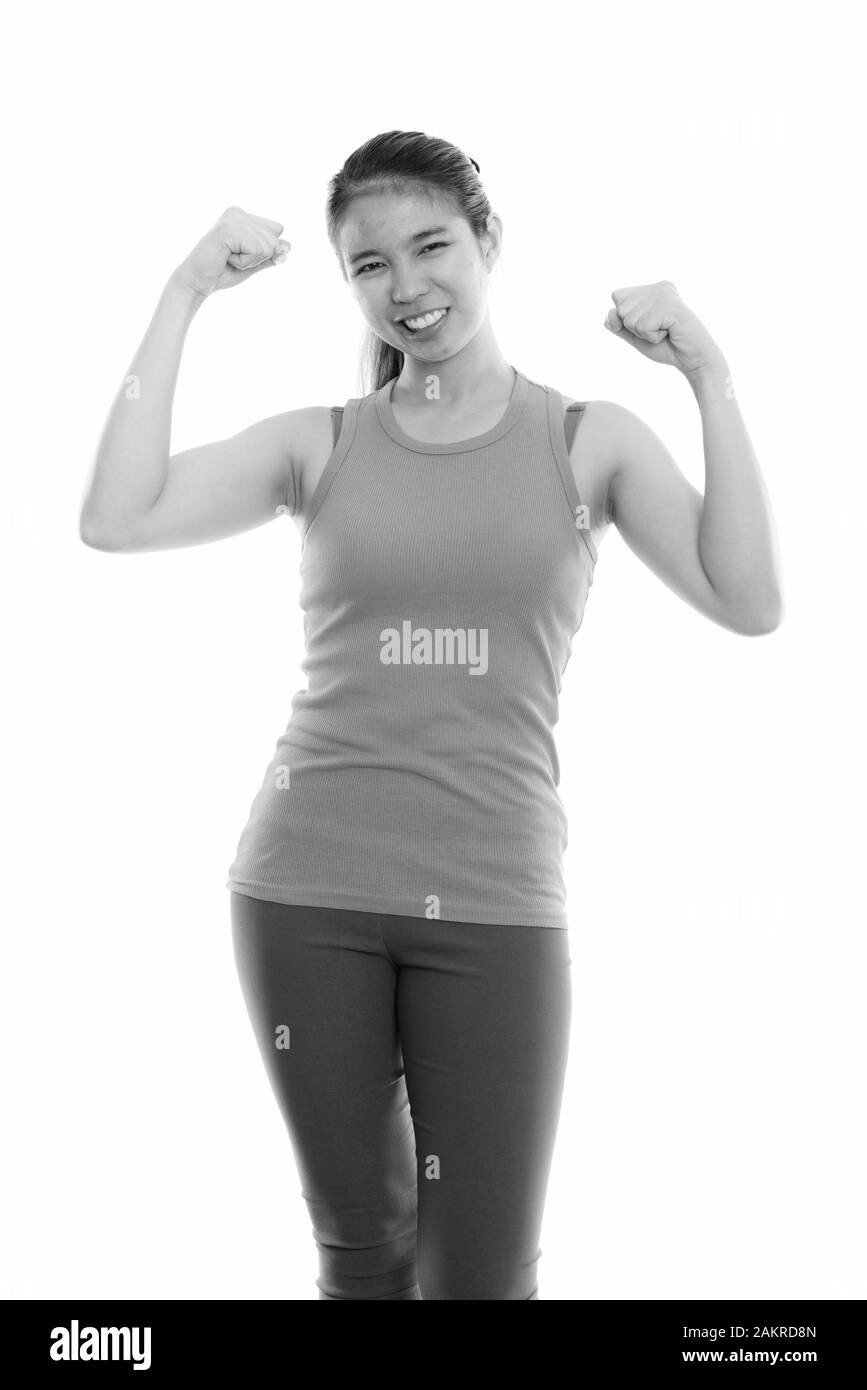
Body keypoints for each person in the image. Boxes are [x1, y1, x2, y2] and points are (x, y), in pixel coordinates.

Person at [79, 129, 784, 1300]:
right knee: (365, 1255)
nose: (406, 287)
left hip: (497, 899)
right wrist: (184, 291)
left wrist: (710, 375)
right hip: (303, 892)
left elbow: (749, 599)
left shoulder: (585, 439)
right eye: (369, 265)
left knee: (481, 1276)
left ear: (489, 239)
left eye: (432, 246)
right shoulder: (324, 441)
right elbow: (116, 515)